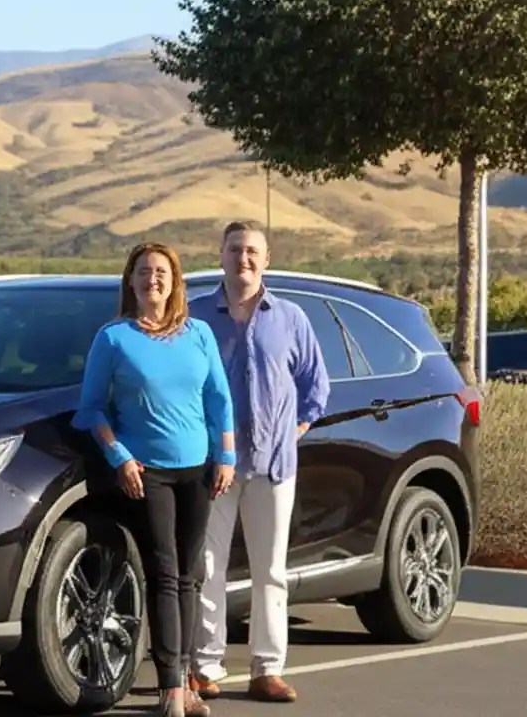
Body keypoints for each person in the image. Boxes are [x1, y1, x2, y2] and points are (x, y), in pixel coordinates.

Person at [72, 242, 236, 717]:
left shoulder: (199, 333)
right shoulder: (114, 338)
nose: (152, 280)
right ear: (131, 281)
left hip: (199, 469)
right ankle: (169, 689)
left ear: (174, 280)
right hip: (147, 473)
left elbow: (219, 399)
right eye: (143, 272)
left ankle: (187, 681)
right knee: (164, 573)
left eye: (161, 272)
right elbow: (92, 409)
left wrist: (225, 454)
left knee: (190, 575)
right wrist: (118, 455)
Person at [188, 221, 330, 704]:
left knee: (271, 570)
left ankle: (267, 670)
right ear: (221, 255)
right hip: (213, 467)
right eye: (234, 250)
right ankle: (205, 668)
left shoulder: (291, 319)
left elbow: (316, 389)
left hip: (273, 467)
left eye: (252, 251)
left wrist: (293, 432)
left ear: (266, 259)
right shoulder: (195, 316)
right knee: (208, 568)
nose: (242, 259)